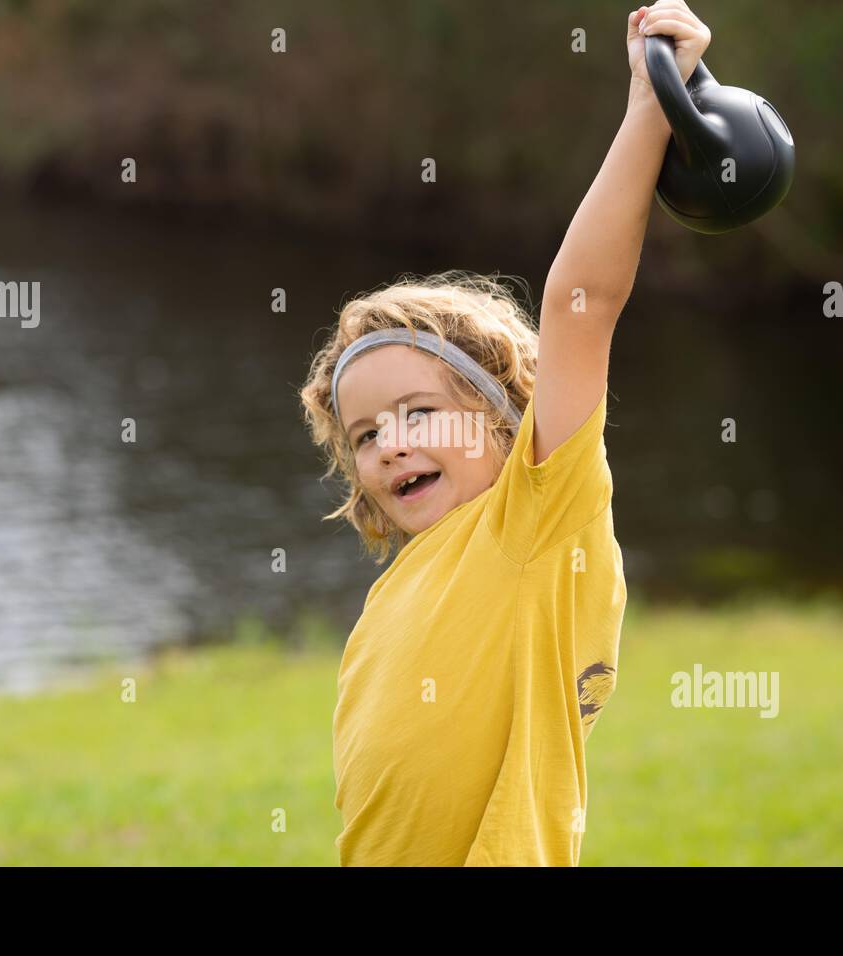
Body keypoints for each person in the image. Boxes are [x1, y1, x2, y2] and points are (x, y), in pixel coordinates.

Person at [298, 2, 711, 866]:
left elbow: (582, 304)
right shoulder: (393, 595)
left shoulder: (534, 521)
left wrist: (647, 107)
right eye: (366, 434)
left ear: (502, 414)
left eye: (419, 412)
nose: (390, 445)